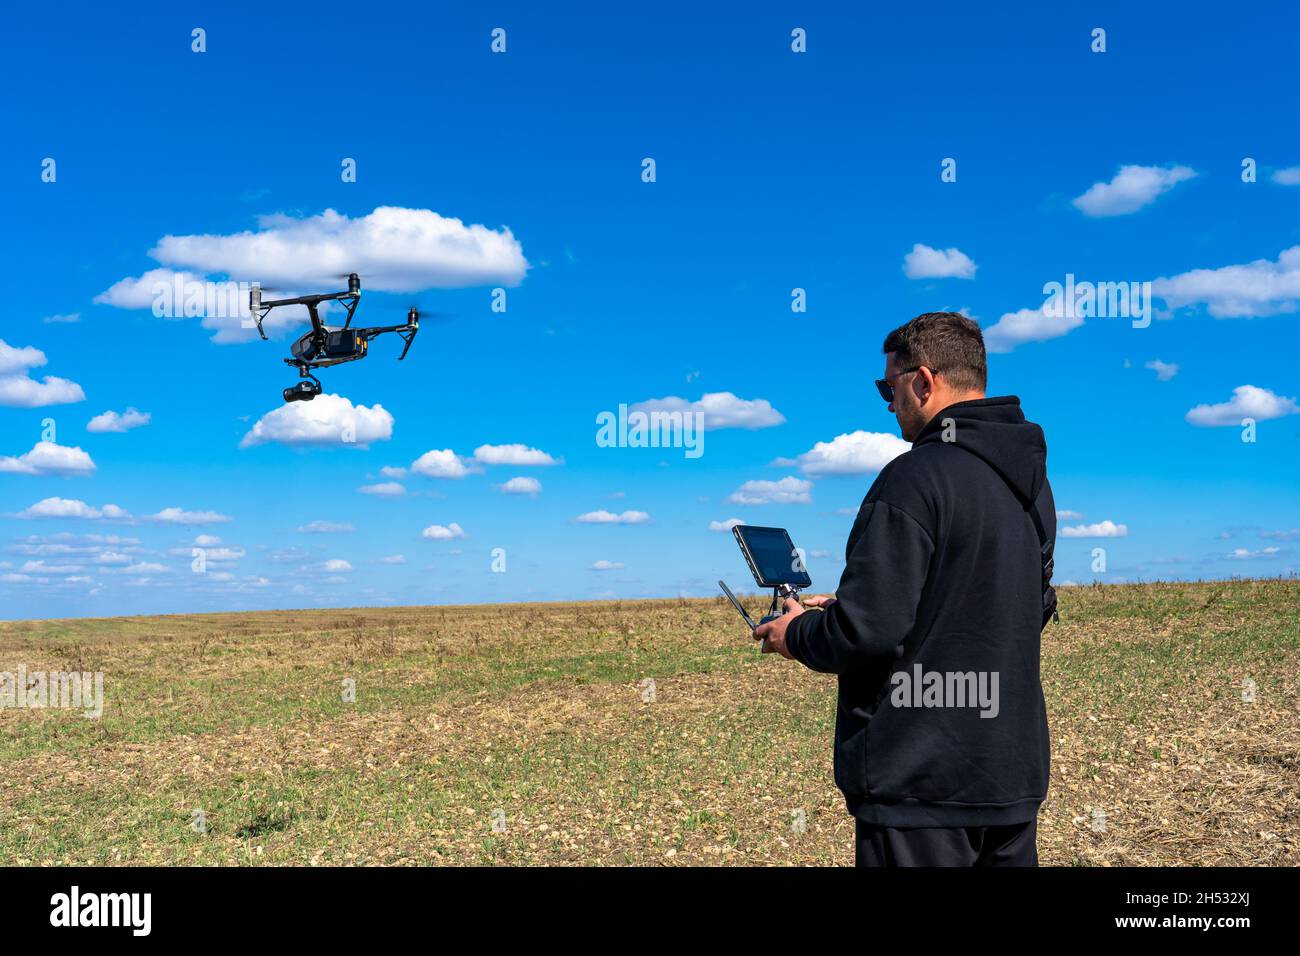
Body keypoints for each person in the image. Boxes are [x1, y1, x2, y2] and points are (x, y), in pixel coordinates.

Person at [754, 311, 1055, 867]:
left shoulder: (914, 476)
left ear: (922, 381)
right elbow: (1001, 610)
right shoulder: (1030, 487)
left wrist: (794, 633)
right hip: (1011, 777)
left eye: (887, 387)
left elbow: (865, 633)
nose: (889, 405)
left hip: (920, 784)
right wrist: (858, 605)